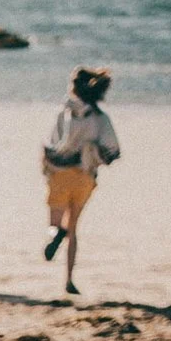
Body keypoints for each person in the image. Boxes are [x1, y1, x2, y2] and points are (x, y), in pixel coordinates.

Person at [42, 66, 121, 297]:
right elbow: (112, 150)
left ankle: (54, 235)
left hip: (61, 175)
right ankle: (69, 279)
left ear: (74, 87)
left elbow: (54, 145)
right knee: (74, 229)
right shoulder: (101, 118)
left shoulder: (64, 113)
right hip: (85, 177)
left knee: (55, 223)